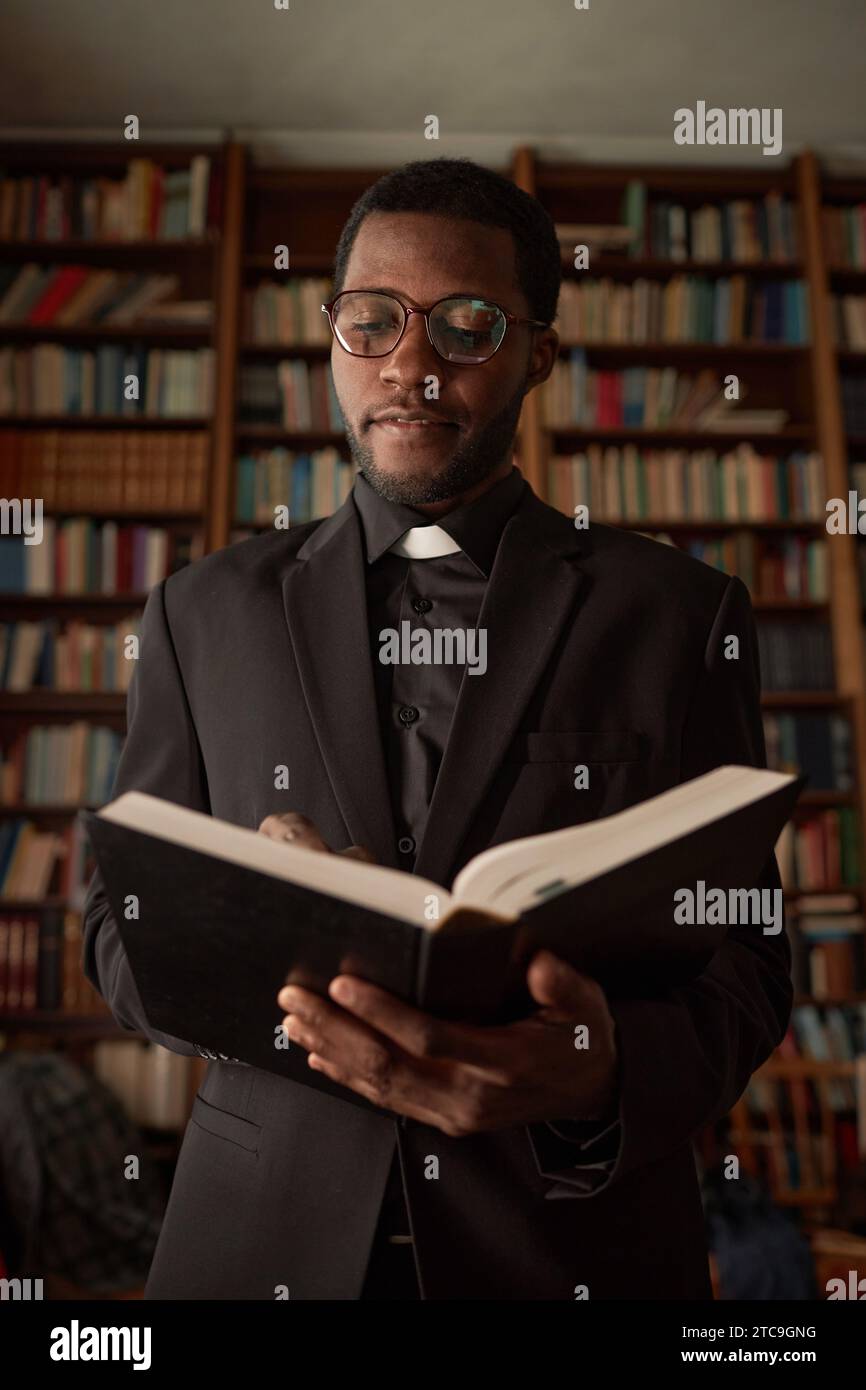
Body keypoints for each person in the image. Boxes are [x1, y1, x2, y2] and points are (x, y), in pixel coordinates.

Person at [83, 157, 791, 1300]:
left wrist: (587, 1066)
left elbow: (746, 958)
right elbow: (113, 923)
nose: (409, 364)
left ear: (537, 356)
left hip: (572, 1251)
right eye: (372, 321)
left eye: (466, 324)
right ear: (332, 341)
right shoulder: (197, 611)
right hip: (254, 1248)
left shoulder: (678, 616)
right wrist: (253, 947)